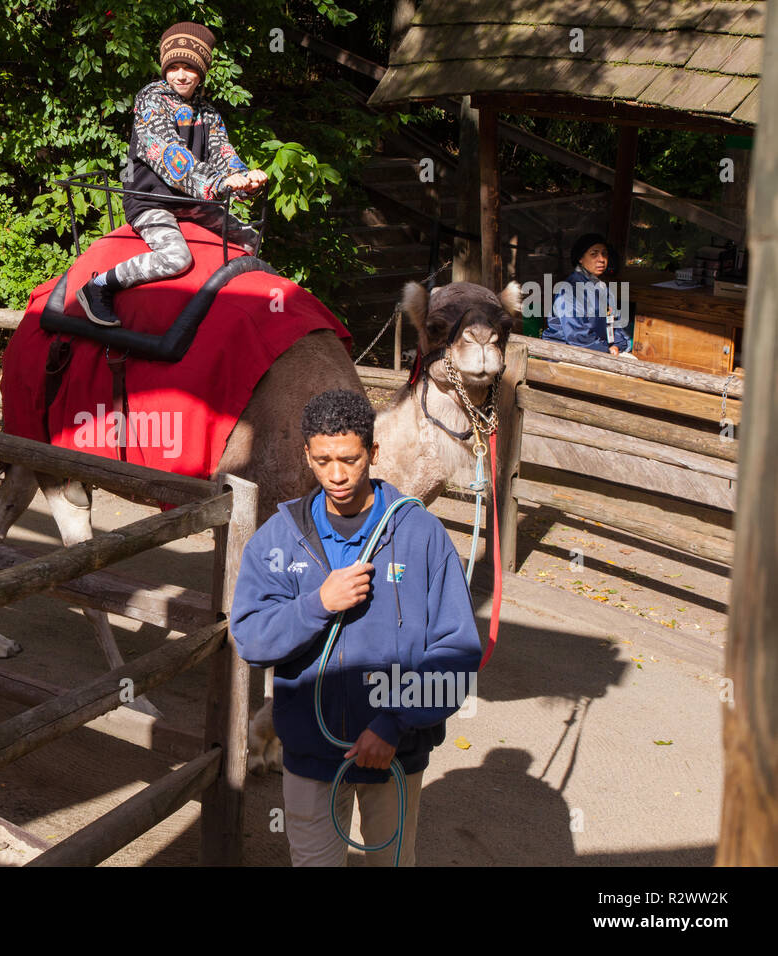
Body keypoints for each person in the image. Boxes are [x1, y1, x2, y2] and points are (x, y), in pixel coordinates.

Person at [229, 390, 481, 866]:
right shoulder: (279, 539)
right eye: (322, 460)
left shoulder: (421, 535)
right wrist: (316, 605)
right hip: (309, 754)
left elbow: (457, 652)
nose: (337, 475)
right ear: (306, 453)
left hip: (396, 754)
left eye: (350, 459)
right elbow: (251, 638)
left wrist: (392, 724)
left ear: (374, 452)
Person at [73, 21, 267, 327]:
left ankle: (232, 307)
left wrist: (246, 180)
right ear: (164, 67)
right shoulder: (151, 101)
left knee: (249, 238)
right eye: (173, 66)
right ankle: (98, 287)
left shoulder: (208, 112)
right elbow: (169, 156)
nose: (180, 74)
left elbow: (223, 153)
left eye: (189, 67)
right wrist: (217, 183)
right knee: (176, 257)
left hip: (191, 201)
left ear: (201, 72)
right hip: (152, 201)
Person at [543, 233, 634, 355]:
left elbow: (614, 323)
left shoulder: (602, 288)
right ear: (580, 258)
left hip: (596, 350)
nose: (601, 259)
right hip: (565, 353)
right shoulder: (570, 290)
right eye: (594, 254)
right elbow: (576, 335)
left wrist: (617, 345)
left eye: (604, 253)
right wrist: (605, 350)